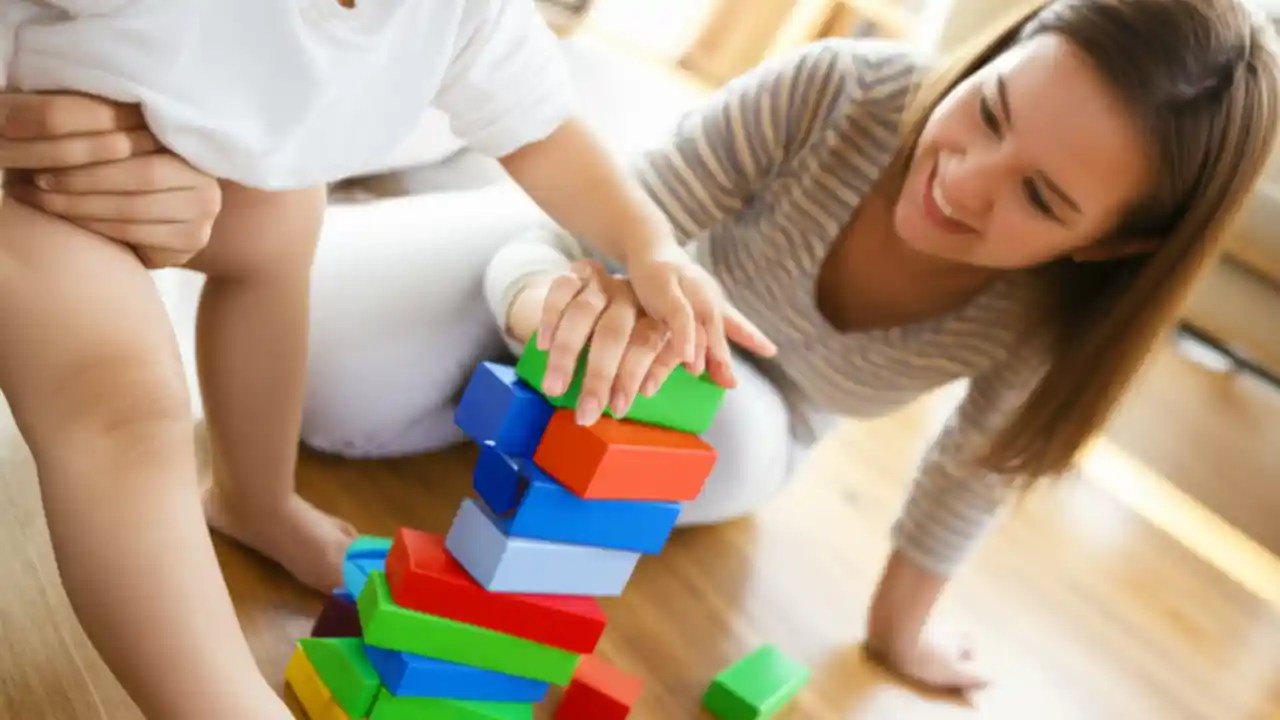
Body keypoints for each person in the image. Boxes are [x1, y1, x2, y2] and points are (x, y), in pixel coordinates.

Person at [5, 0, 1277, 706]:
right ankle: (410, 338)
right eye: (987, 113)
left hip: (720, 403)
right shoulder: (843, 90)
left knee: (714, 435)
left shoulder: (1039, 324)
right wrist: (585, 287)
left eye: (1040, 202)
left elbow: (972, 471)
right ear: (992, 56)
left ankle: (488, 426)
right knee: (325, 356)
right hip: (551, 273)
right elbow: (587, 211)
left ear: (1104, 250)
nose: (961, 181)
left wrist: (901, 631)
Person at [0, 2, 770, 718]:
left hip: (172, 168)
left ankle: (253, 499)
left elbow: (540, 124)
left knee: (284, 215)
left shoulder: (460, 13)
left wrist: (647, 243)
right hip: (23, 183)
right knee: (122, 404)